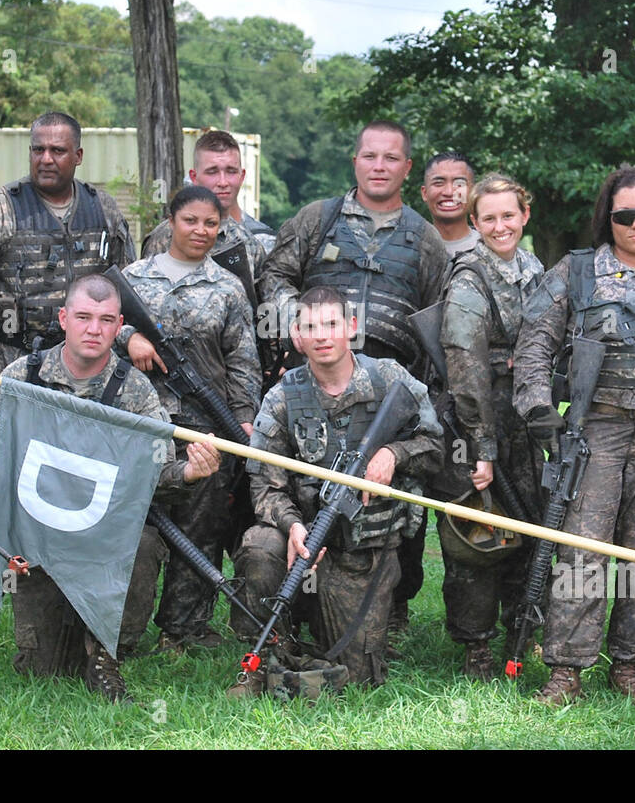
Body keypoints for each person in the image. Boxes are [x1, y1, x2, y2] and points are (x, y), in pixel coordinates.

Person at [0, 273, 222, 701]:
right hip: (40, 528)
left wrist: (189, 473)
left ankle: (106, 654)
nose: (93, 329)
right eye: (83, 317)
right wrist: (13, 527)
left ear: (119, 326)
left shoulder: (135, 390)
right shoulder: (23, 374)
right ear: (64, 318)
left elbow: (156, 474)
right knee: (43, 670)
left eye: (105, 320)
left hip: (105, 532)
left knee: (143, 541)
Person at [0, 111, 135, 653]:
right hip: (12, 371)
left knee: (76, 485)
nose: (46, 159)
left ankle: (67, 599)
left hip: (86, 379)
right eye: (37, 150)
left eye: (57, 150)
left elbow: (127, 290)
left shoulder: (105, 213)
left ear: (78, 156)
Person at [514, 167, 635, 705]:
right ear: (607, 219)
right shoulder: (575, 274)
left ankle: (631, 665)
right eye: (624, 216)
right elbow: (533, 348)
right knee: (582, 547)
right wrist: (539, 409)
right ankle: (568, 669)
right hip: (597, 426)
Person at [258, 119, 447, 637]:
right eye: (370, 156)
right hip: (315, 385)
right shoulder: (316, 220)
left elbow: (437, 317)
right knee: (308, 489)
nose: (379, 166)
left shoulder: (425, 239)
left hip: (390, 392)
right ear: (355, 161)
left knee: (393, 494)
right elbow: (274, 276)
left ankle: (395, 604)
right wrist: (303, 323)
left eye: (391, 158)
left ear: (407, 167)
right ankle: (292, 603)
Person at [230, 287, 442, 686]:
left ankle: (323, 630)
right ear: (297, 336)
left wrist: (394, 454)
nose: (322, 335)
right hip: (306, 542)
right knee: (260, 545)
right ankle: (276, 640)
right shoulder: (282, 398)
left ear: (352, 328)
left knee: (358, 675)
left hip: (363, 553)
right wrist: (293, 526)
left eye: (331, 324)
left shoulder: (388, 379)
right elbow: (263, 486)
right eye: (311, 326)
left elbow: (436, 447)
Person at [118, 186, 261, 650]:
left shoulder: (228, 287)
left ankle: (183, 629)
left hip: (206, 424)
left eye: (210, 223)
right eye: (190, 221)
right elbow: (92, 322)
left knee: (201, 527)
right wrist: (127, 338)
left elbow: (242, 360)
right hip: (143, 422)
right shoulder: (133, 278)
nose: (200, 231)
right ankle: (121, 625)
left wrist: (243, 420)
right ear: (171, 221)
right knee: (139, 522)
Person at [438, 173, 545, 679]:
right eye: (490, 218)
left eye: (509, 215)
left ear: (524, 216)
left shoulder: (534, 267)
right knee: (476, 534)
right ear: (474, 223)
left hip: (526, 419)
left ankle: (525, 631)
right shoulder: (469, 279)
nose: (501, 226)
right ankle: (475, 645)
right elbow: (464, 365)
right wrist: (482, 444)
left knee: (530, 522)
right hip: (476, 420)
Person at [141, 129, 273, 266]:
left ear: (242, 176)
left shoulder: (250, 246)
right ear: (194, 177)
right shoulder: (166, 237)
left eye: (231, 171)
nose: (223, 182)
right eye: (212, 172)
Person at [422, 152, 479, 257]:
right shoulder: (409, 249)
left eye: (459, 184)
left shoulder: (493, 248)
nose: (449, 192)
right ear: (424, 193)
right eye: (439, 183)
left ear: (472, 192)